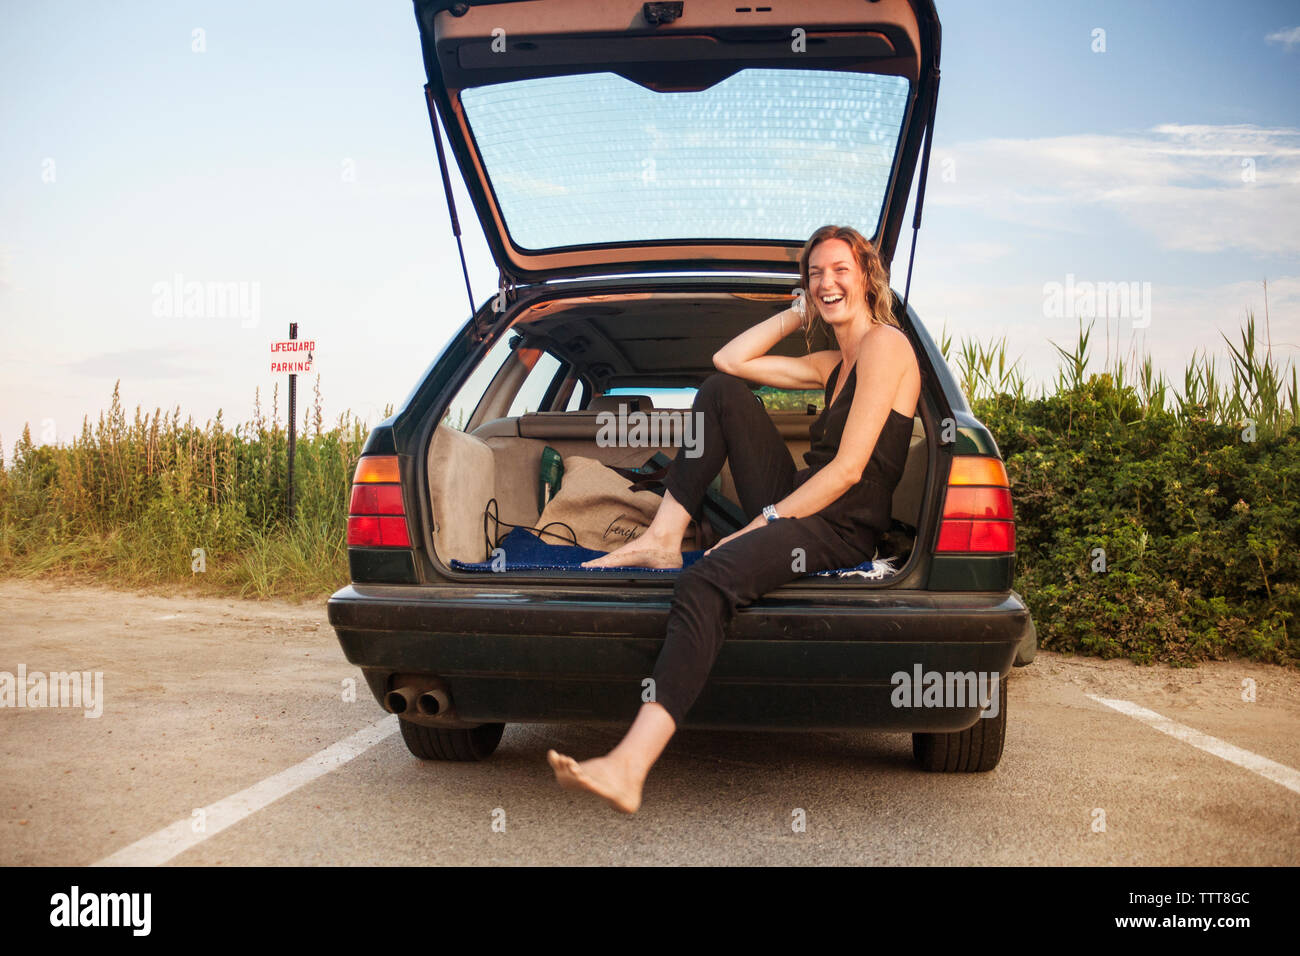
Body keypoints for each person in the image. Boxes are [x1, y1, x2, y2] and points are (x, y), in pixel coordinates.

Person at [547, 224, 922, 813]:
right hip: (805, 500)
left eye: (840, 270)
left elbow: (850, 469)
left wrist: (762, 523)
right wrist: (800, 313)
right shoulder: (833, 363)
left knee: (705, 579)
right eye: (815, 273)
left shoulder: (887, 346)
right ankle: (664, 536)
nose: (827, 282)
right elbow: (729, 359)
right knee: (720, 390)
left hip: (842, 525)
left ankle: (629, 764)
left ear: (867, 277)